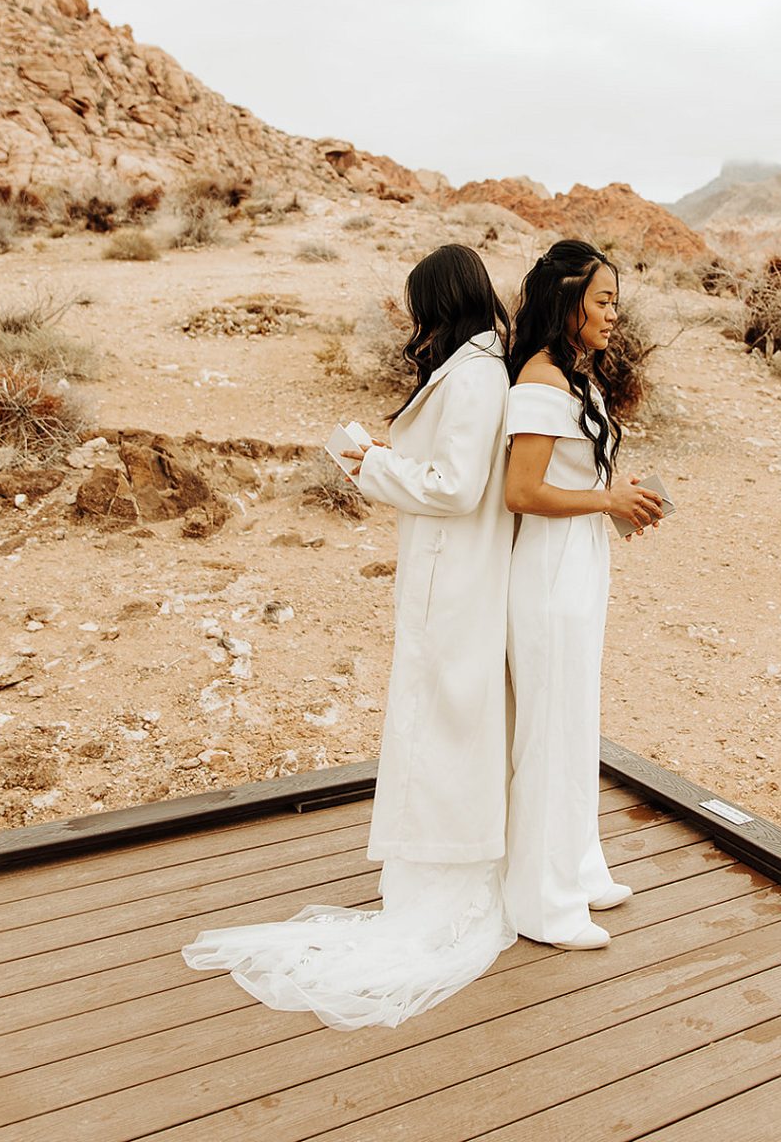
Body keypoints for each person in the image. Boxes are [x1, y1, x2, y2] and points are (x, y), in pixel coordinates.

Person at [182, 244, 516, 1028]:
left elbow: (457, 487)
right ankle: (437, 868)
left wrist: (372, 462)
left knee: (441, 723)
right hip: (447, 577)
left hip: (455, 583)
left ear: (440, 298)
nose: (412, 320)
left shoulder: (474, 375)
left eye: (417, 304)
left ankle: (447, 883)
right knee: (437, 723)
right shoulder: (474, 367)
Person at [502, 239, 664, 950]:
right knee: (549, 728)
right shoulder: (540, 380)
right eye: (602, 302)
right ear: (566, 301)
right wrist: (605, 501)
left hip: (578, 565)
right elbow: (522, 490)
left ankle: (577, 867)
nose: (611, 317)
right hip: (547, 572)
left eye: (615, 305)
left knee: (574, 720)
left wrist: (619, 501)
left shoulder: (572, 377)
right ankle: (543, 903)